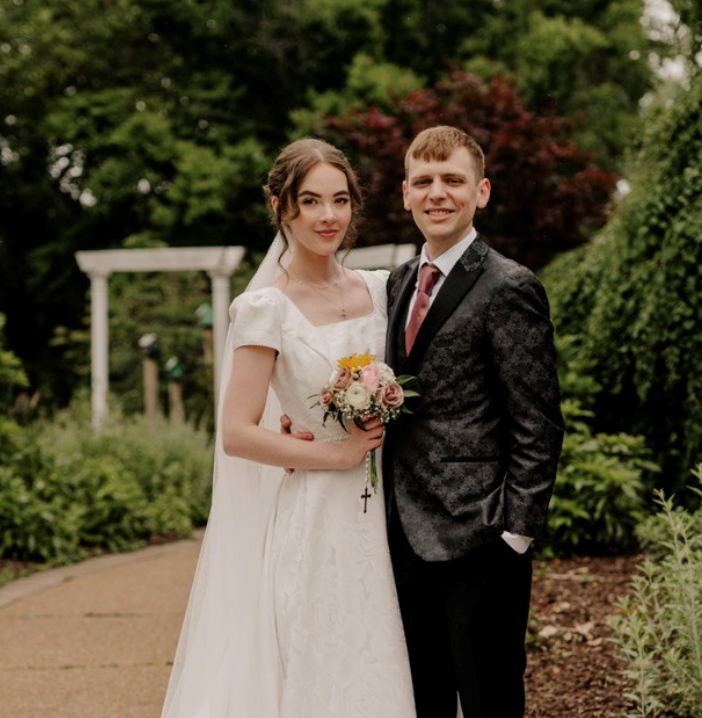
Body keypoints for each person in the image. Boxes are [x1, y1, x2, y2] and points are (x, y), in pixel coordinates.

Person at [161, 138, 417, 718]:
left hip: (393, 508)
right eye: (311, 201)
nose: (328, 216)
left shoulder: (380, 290)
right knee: (323, 658)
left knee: (391, 651)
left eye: (340, 200)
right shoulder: (264, 309)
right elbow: (236, 432)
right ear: (282, 208)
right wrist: (338, 453)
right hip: (317, 513)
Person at [383, 125, 564, 718]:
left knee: (490, 700)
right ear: (405, 194)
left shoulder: (509, 286)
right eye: (424, 181)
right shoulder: (398, 283)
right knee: (423, 700)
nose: (438, 193)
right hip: (400, 534)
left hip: (482, 538)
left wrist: (516, 533)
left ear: (481, 192)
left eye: (453, 180)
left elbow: (538, 422)